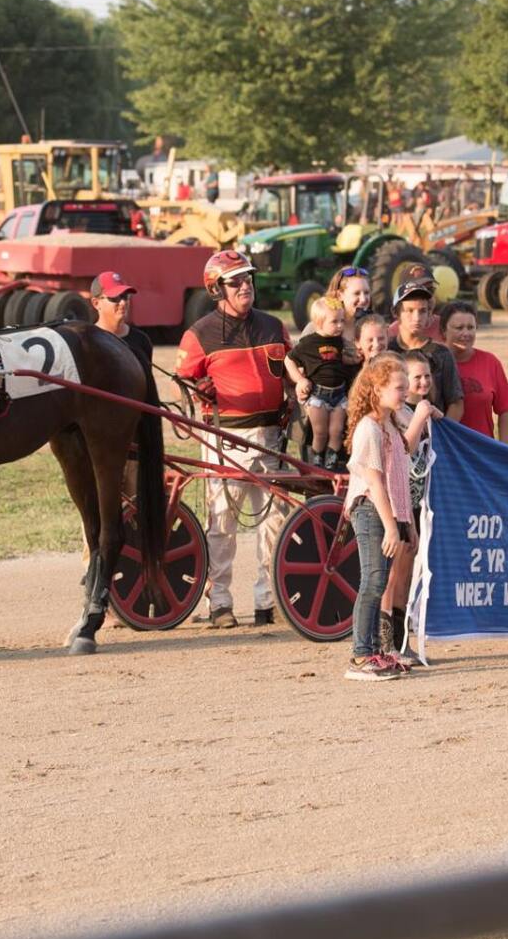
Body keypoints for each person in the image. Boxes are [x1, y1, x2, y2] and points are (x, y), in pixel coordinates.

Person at [176, 249, 292, 628]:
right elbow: (184, 381)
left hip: (272, 435)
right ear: (216, 289)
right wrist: (197, 391)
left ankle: (268, 600)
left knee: (274, 520)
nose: (246, 286)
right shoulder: (199, 335)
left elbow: (292, 373)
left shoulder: (275, 326)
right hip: (226, 437)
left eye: (248, 278)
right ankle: (220, 603)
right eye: (236, 281)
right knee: (222, 523)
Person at [342, 353, 420, 681]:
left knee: (380, 580)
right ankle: (361, 655)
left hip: (389, 512)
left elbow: (401, 477)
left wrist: (408, 525)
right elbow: (374, 482)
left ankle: (376, 651)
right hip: (371, 511)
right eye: (399, 387)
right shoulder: (369, 429)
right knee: (373, 581)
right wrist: (391, 526)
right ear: (378, 389)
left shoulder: (389, 423)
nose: (405, 393)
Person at [381, 350, 438, 657]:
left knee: (406, 572)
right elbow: (405, 449)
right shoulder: (396, 414)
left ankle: (401, 641)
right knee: (392, 574)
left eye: (426, 376)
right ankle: (386, 640)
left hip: (414, 501)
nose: (420, 383)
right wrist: (422, 415)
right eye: (414, 378)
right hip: (395, 502)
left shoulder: (413, 412)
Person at [285, 294, 361, 470]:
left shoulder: (339, 341)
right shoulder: (308, 343)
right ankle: (317, 457)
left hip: (339, 394)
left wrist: (354, 360)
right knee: (320, 432)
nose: (340, 325)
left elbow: (339, 361)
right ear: (319, 322)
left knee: (336, 431)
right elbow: (289, 360)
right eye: (335, 322)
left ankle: (331, 459)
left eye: (342, 320)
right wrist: (300, 380)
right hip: (318, 394)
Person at [386, 277, 464, 422]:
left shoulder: (441, 354)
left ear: (429, 315)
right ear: (396, 313)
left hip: (432, 434)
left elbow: (456, 403)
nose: (417, 318)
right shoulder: (386, 353)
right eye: (409, 311)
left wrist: (442, 435)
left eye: (422, 311)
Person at [438, 300, 508, 443]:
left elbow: (504, 411)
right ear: (443, 330)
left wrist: (504, 449)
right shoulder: (434, 364)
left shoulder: (490, 362)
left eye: (470, 327)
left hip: (482, 452)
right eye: (459, 328)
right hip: (447, 451)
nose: (466, 333)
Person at [92, 270, 154, 373]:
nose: (123, 302)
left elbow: (148, 385)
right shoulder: (88, 341)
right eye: (115, 298)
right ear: (96, 303)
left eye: (125, 296)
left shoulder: (141, 341)